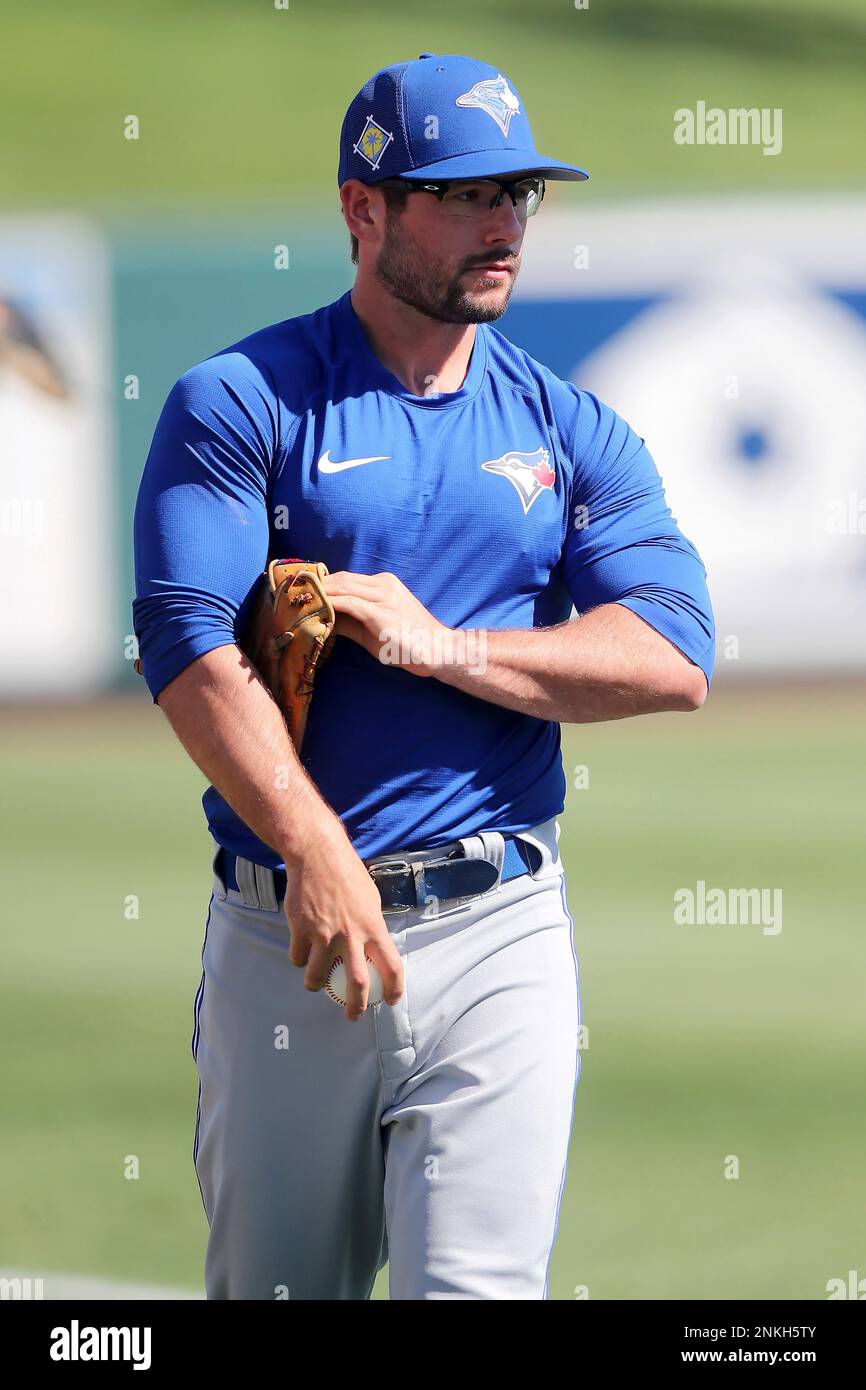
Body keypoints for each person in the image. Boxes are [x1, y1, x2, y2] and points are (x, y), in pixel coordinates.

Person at [132, 53, 715, 1301]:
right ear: (362, 208)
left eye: (519, 193)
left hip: (501, 925)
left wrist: (442, 644)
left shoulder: (568, 424)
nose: (503, 222)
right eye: (465, 192)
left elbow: (671, 654)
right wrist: (315, 848)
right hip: (284, 939)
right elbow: (186, 647)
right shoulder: (240, 401)